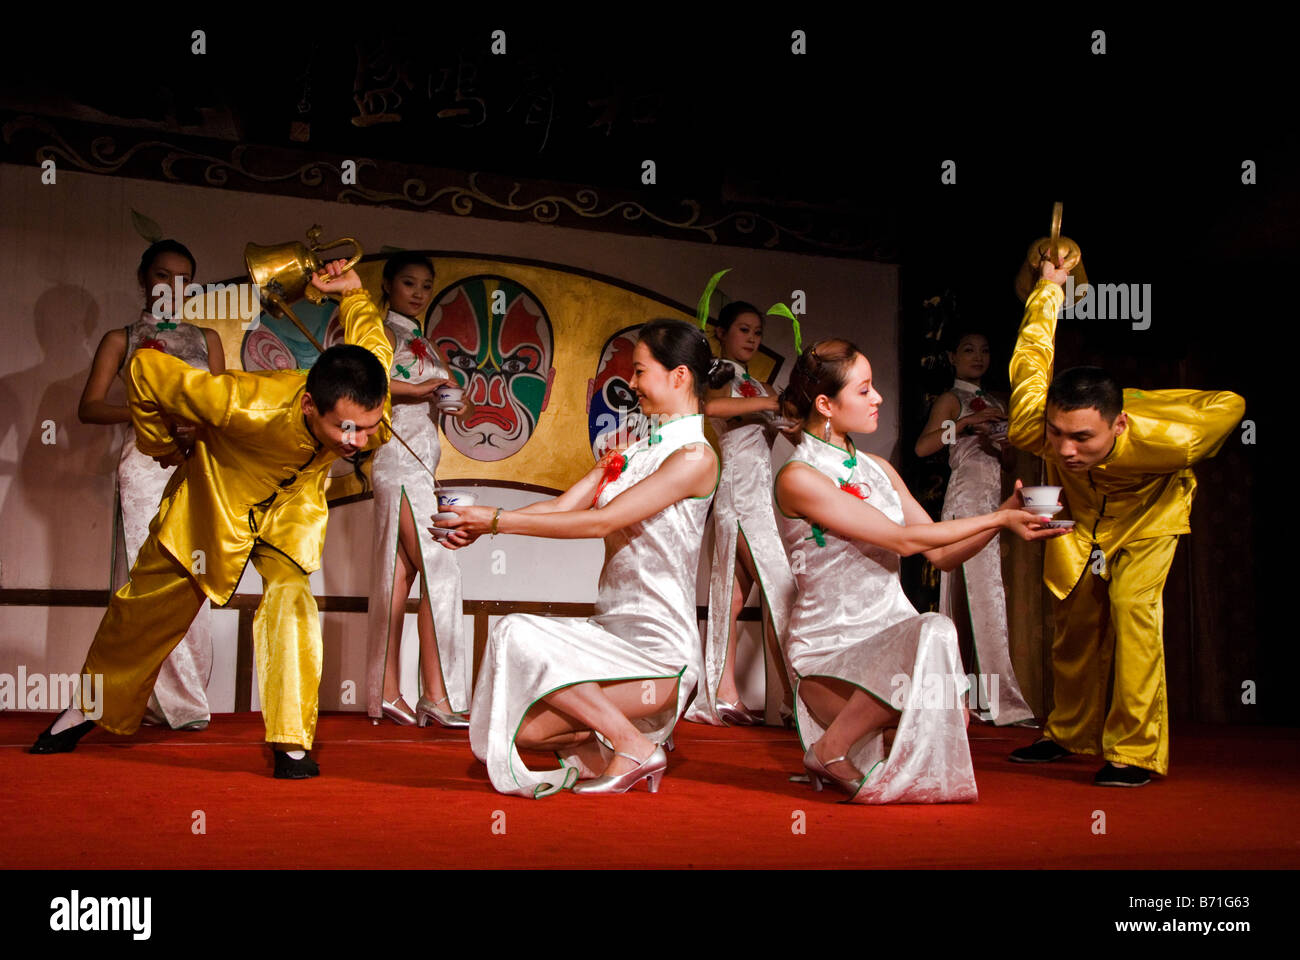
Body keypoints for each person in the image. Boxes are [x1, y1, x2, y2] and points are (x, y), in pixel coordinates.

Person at [30, 260, 392, 780]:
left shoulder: (367, 397)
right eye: (347, 429)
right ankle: (88, 707)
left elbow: (372, 342)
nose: (358, 441)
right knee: (144, 610)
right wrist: (164, 447)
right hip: (215, 502)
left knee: (292, 601)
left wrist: (353, 294)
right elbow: (145, 371)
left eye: (368, 428)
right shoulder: (242, 402)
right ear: (310, 405)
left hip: (289, 513)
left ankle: (291, 740)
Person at [773, 339, 1066, 803]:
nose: (878, 398)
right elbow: (904, 541)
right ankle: (830, 747)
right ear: (826, 405)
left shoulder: (879, 469)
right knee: (934, 628)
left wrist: (1002, 517)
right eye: (864, 390)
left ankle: (863, 744)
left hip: (894, 637)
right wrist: (998, 518)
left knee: (952, 705)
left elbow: (942, 554)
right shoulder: (799, 476)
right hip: (830, 654)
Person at [441, 319, 724, 798]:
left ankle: (633, 745)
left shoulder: (695, 457)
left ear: (679, 376)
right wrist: (480, 522)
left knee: (515, 631)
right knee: (524, 728)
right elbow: (561, 509)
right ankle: (603, 749)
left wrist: (497, 521)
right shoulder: (635, 451)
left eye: (639, 371)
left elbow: (600, 522)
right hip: (610, 633)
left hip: (659, 650)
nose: (631, 383)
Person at [1006, 262, 1246, 786]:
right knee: (1075, 623)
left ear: (1118, 424)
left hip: (1149, 519)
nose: (1065, 450)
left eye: (1083, 437)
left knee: (1132, 609)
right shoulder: (1033, 427)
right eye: (1058, 433)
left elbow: (1231, 404)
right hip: (1083, 521)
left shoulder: (1176, 439)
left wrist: (1143, 404)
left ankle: (1134, 752)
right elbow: (1032, 355)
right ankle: (1068, 733)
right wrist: (1048, 290)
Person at [77, 240, 223, 730]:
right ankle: (161, 702)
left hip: (197, 465)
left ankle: (183, 698)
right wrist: (145, 412)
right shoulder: (121, 338)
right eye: (163, 275)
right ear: (143, 279)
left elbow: (223, 406)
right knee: (147, 579)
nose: (172, 287)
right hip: (143, 464)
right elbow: (90, 407)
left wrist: (197, 423)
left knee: (192, 576)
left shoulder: (206, 338)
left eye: (184, 279)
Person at [365, 253, 472, 728]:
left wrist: (456, 402)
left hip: (422, 464)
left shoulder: (426, 343)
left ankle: (386, 693)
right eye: (409, 283)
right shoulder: (378, 331)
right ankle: (438, 694)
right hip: (396, 461)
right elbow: (368, 385)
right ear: (388, 284)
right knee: (441, 568)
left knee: (400, 577)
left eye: (426, 286)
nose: (418, 293)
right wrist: (425, 388)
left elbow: (450, 399)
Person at [914, 330, 1034, 725]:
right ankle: (998, 705)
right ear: (952, 357)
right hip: (964, 504)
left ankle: (977, 701)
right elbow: (925, 446)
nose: (977, 357)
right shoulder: (952, 398)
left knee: (984, 602)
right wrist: (965, 423)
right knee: (979, 602)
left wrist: (1005, 442)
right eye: (968, 350)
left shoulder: (998, 403)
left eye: (984, 350)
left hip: (991, 505)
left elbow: (1007, 463)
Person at [685, 301, 796, 726]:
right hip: (738, 491)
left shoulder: (760, 383)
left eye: (757, 332)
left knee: (732, 598)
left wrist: (787, 421)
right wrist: (768, 402)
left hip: (759, 493)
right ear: (722, 332)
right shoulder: (719, 374)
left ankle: (723, 694)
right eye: (743, 329)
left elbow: (782, 429)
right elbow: (709, 409)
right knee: (780, 590)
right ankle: (794, 700)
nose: (752, 338)